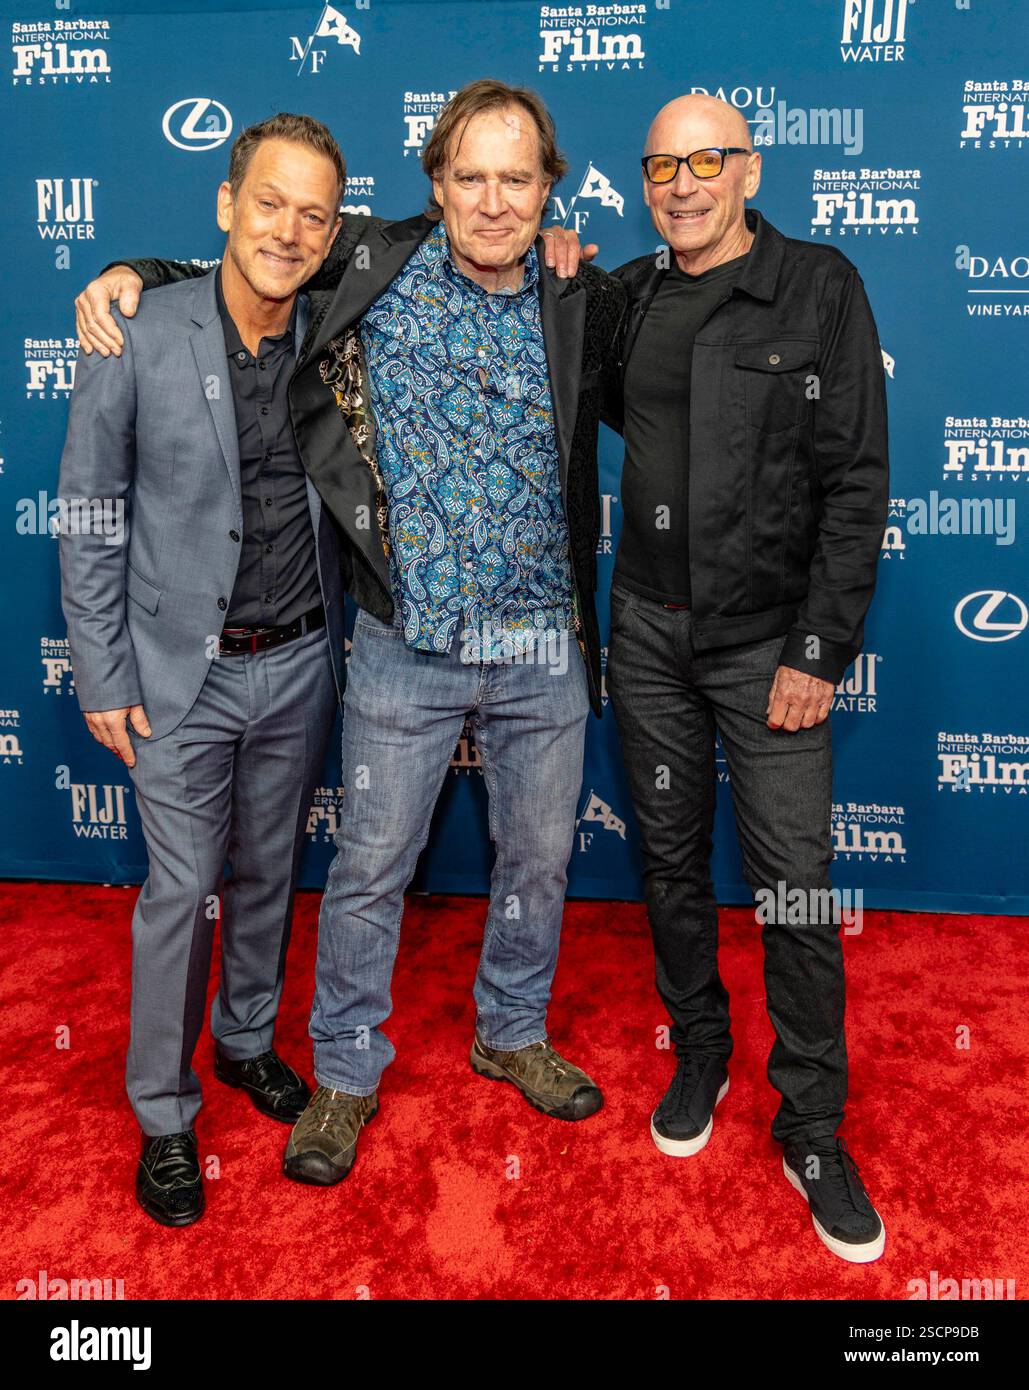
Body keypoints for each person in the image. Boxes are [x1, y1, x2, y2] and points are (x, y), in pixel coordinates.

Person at [75, 80, 624, 1188]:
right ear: (434, 185)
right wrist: (129, 269)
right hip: (400, 639)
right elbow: (248, 262)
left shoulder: (581, 293)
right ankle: (342, 1072)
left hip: (537, 641)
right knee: (369, 866)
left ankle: (511, 1027)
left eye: (518, 180)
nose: (493, 200)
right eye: (470, 175)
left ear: (549, 190)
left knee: (540, 854)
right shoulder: (373, 258)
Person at [602, 94, 889, 1262]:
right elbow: (437, 269)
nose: (683, 181)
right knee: (667, 858)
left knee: (798, 884)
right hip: (647, 636)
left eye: (706, 159)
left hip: (771, 648)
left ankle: (813, 1119)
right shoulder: (624, 297)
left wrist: (818, 649)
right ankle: (702, 1047)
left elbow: (857, 481)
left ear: (749, 168)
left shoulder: (819, 287)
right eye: (662, 162)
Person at [58, 114, 350, 1226]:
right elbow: (87, 515)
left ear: (331, 232)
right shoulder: (136, 328)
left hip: (301, 660)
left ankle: (243, 1044)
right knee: (182, 892)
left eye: (312, 213)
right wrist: (100, 670)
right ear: (227, 204)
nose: (287, 229)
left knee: (270, 872)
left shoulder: (335, 327)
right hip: (179, 674)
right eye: (267, 201)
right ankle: (165, 1110)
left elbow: (454, 238)